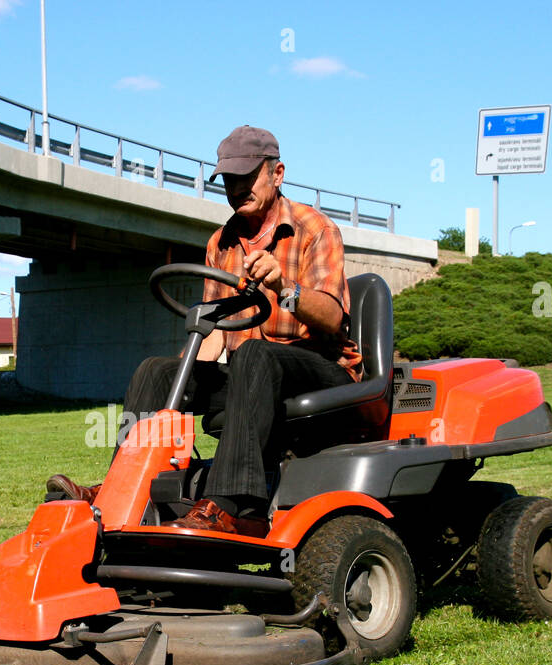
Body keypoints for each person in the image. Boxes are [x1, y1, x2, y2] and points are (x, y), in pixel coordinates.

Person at [47, 125, 361, 537]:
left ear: (277, 174)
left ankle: (233, 505)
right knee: (156, 371)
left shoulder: (315, 230)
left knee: (253, 354)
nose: (237, 189)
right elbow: (215, 331)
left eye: (247, 178)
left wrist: (284, 287)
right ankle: (123, 488)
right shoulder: (221, 242)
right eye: (229, 181)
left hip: (322, 376)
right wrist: (182, 379)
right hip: (255, 376)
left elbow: (333, 318)